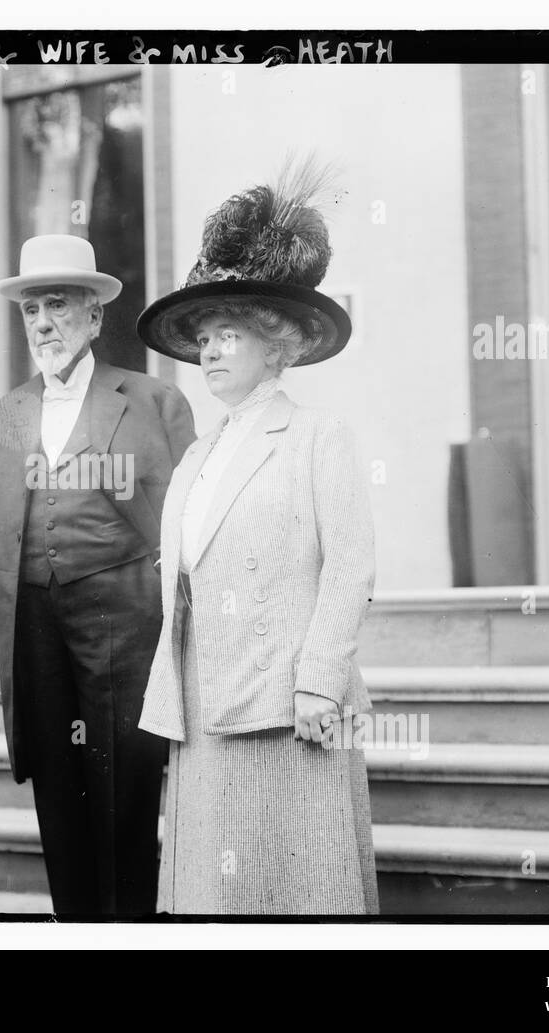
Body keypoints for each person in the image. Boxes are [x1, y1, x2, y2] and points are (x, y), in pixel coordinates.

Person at [136, 165, 380, 914]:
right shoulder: (199, 456)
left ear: (278, 345)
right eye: (204, 337)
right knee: (219, 894)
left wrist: (318, 681)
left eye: (229, 333)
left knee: (298, 883)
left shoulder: (317, 437)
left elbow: (350, 564)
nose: (210, 351)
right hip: (205, 707)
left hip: (287, 707)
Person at [0, 234, 196, 916]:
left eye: (58, 305)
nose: (43, 323)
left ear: (94, 318)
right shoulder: (1, 419)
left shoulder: (154, 403)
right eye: (32, 309)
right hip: (32, 625)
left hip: (123, 615)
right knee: (56, 789)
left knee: (123, 785)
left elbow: (191, 524)